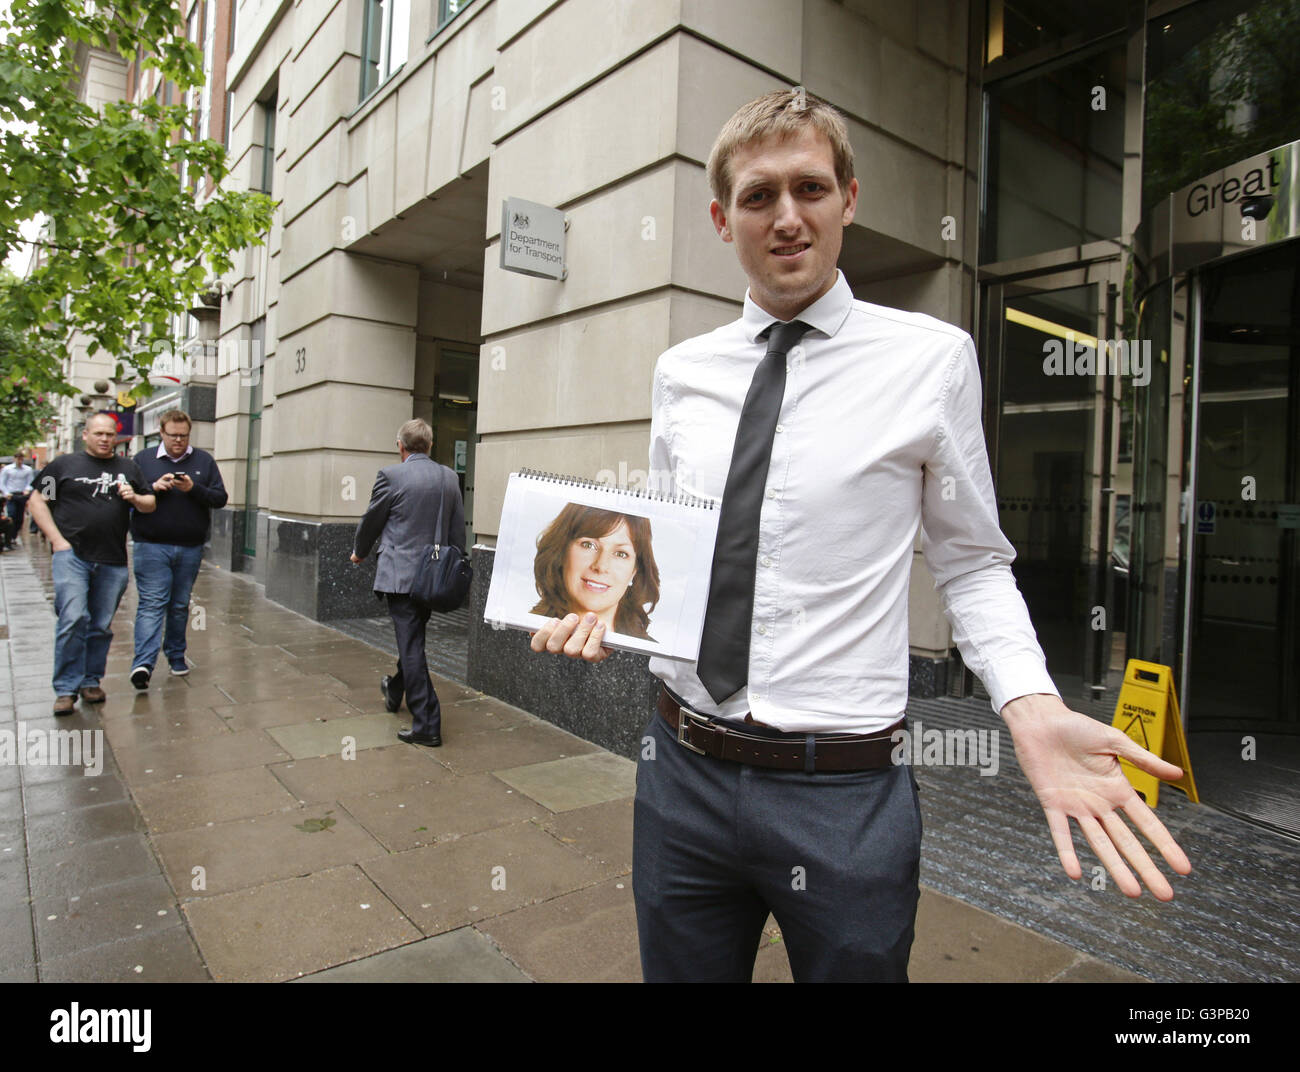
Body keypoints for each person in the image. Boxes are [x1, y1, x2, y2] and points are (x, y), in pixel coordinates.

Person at [531, 89, 1191, 982]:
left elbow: (972, 560)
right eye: (760, 197)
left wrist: (1028, 704)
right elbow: (671, 546)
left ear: (850, 198)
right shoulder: (682, 373)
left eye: (810, 188)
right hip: (679, 772)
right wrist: (608, 608)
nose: (788, 217)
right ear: (723, 220)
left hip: (842, 797)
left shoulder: (930, 358)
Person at [27, 413, 156, 714]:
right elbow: (36, 501)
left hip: (112, 559)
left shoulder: (128, 467)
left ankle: (90, 681)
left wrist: (134, 497)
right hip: (73, 556)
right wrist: (58, 542)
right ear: (85, 435)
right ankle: (65, 689)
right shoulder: (64, 466)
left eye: (110, 434)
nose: (104, 439)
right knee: (73, 618)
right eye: (98, 433)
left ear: (116, 436)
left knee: (99, 625)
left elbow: (150, 504)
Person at [351, 418, 464, 747]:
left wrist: (359, 552)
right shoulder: (448, 477)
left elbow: (372, 519)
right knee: (412, 641)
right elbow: (456, 530)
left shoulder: (391, 475)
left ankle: (427, 722)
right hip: (433, 576)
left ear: (400, 447)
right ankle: (396, 687)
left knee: (411, 645)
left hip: (400, 577)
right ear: (430, 445)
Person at [128, 409, 228, 688]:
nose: (179, 441)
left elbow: (220, 498)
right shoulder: (142, 460)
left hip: (190, 547)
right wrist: (154, 487)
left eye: (184, 436)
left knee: (180, 604)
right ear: (161, 433)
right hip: (151, 545)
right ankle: (143, 665)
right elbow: (128, 496)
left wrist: (193, 488)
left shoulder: (204, 461)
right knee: (152, 603)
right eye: (173, 436)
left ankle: (175, 655)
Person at [529, 503, 660, 641]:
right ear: (561, 552)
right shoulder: (519, 628)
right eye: (588, 545)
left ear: (634, 571)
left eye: (620, 554)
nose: (601, 566)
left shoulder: (653, 655)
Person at [1, 450, 35, 549]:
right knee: (12, 515)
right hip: (11, 495)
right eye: (18, 459)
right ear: (14, 459)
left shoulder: (27, 470)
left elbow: (30, 482)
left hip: (21, 495)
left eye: (21, 459)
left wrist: (27, 490)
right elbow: (2, 482)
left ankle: (14, 535)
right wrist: (6, 493)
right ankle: (10, 537)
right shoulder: (7, 469)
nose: (19, 461)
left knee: (20, 518)